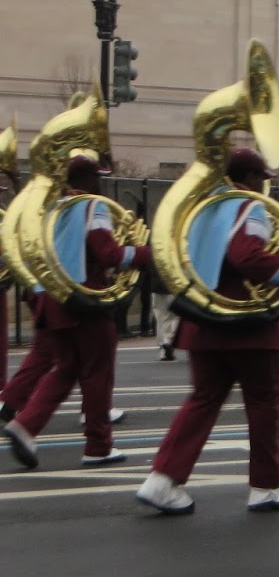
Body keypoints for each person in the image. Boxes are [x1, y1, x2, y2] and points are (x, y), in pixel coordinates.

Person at [137, 148, 279, 514]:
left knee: (202, 400)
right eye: (261, 179)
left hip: (202, 320)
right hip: (248, 325)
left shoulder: (200, 208)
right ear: (249, 179)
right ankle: (266, 486)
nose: (263, 186)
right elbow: (247, 256)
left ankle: (162, 480)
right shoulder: (250, 206)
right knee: (264, 404)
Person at [4, 153, 150, 469]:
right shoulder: (91, 206)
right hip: (84, 298)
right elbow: (107, 253)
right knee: (97, 373)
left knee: (66, 369)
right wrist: (145, 254)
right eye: (97, 177)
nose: (100, 183)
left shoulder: (51, 209)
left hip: (50, 298)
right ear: (86, 180)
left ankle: (25, 424)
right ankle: (98, 446)